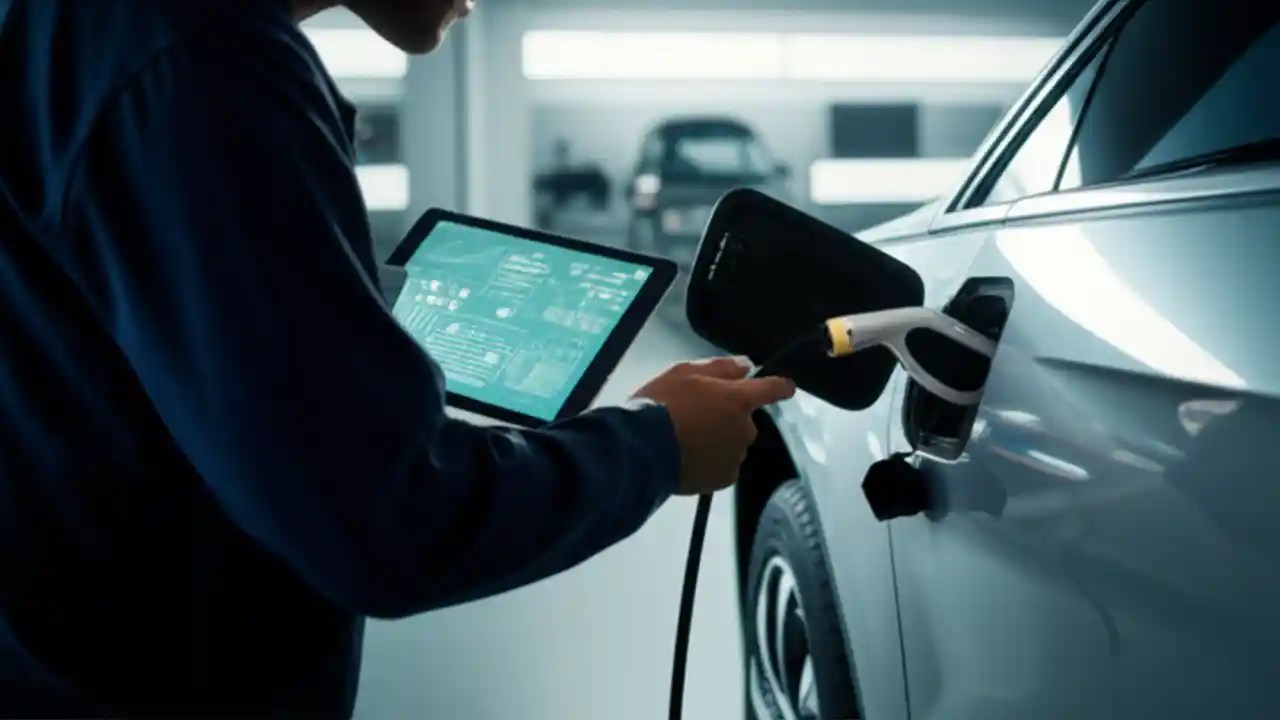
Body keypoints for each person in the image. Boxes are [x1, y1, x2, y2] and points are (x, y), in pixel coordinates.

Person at [0, 0, 795, 717]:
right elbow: (389, 518)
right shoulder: (202, 61)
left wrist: (313, 312)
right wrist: (657, 444)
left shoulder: (93, 28)